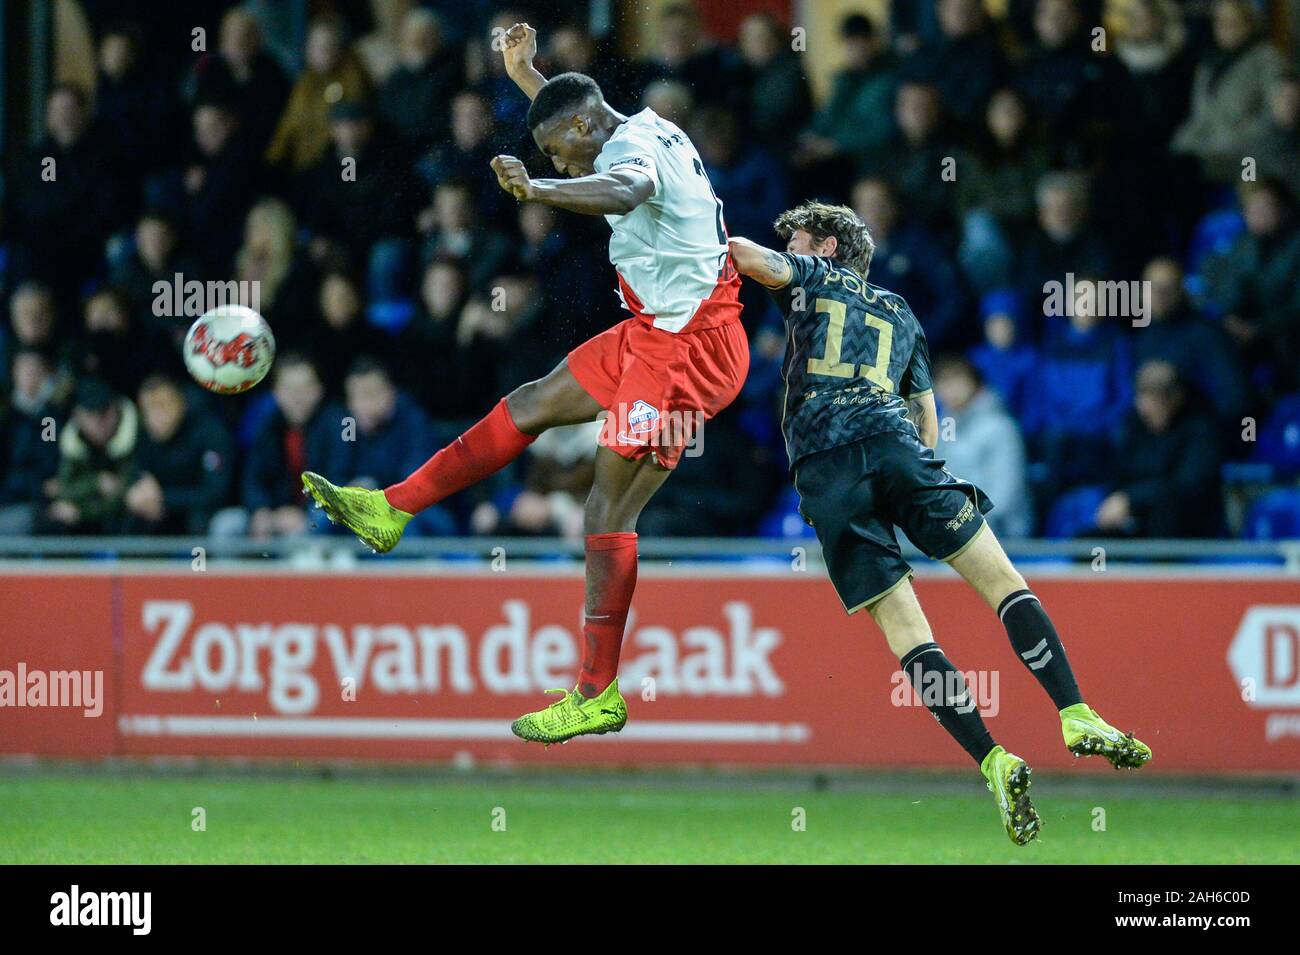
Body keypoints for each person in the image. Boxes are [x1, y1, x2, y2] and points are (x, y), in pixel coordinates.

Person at [300, 23, 749, 746]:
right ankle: (392, 508)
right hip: (659, 330)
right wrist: (527, 74)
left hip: (688, 349)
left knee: (607, 507)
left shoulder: (629, 155)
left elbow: (622, 185)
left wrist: (541, 186)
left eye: (557, 150)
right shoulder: (638, 123)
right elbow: (578, 113)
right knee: (531, 403)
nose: (560, 161)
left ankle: (595, 692)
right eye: (553, 158)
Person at [727, 201, 1150, 846]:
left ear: (832, 248)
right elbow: (928, 422)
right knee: (1004, 580)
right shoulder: (901, 313)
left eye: (805, 239)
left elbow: (746, 257)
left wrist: (683, 218)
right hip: (901, 449)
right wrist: (909, 486)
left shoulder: (811, 278)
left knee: (907, 632)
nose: (796, 247)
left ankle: (992, 758)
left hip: (826, 472)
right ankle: (1075, 711)